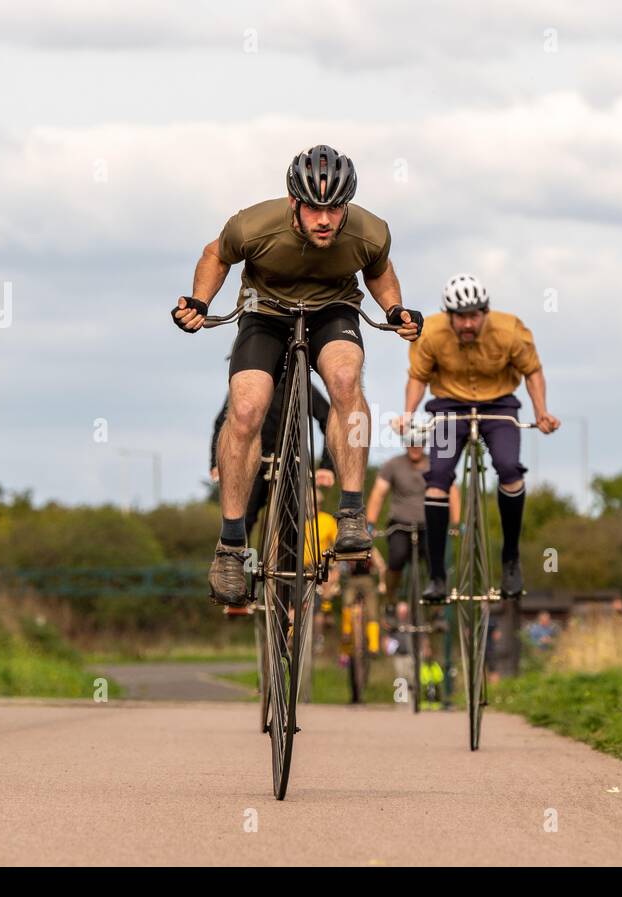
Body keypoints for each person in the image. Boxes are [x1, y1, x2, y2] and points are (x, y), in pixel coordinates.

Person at [174, 144, 423, 606]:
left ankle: (351, 512)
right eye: (314, 209)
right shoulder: (252, 225)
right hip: (264, 312)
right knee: (246, 409)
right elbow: (216, 256)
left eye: (334, 209)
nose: (325, 220)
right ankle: (231, 546)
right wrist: (199, 302)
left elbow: (379, 271)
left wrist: (395, 309)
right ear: (294, 202)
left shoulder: (370, 231)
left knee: (346, 380)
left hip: (334, 310)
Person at [402, 273, 561, 603]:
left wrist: (542, 411)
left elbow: (532, 371)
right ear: (449, 315)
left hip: (498, 403)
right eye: (461, 317)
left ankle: (511, 560)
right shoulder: (430, 332)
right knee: (437, 479)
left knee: (509, 470)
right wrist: (408, 413)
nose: (468, 323)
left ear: (485, 311)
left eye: (475, 314)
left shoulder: (510, 330)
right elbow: (418, 377)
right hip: (449, 405)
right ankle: (436, 576)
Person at [209, 353, 335, 537]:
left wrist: (327, 466)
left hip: (293, 460)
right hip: (253, 463)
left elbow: (329, 419)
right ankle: (237, 559)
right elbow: (222, 425)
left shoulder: (298, 385)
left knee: (293, 525)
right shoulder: (240, 392)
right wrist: (217, 463)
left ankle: (291, 562)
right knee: (243, 519)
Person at [364, 427, 460, 601]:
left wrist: (456, 522)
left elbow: (452, 492)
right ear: (405, 444)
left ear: (424, 444)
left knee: (435, 560)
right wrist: (370, 523)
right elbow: (378, 494)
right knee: (397, 557)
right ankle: (391, 597)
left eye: (419, 443)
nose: (415, 447)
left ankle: (437, 610)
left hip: (429, 524)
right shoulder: (393, 465)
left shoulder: (436, 463)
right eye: (411, 444)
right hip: (399, 523)